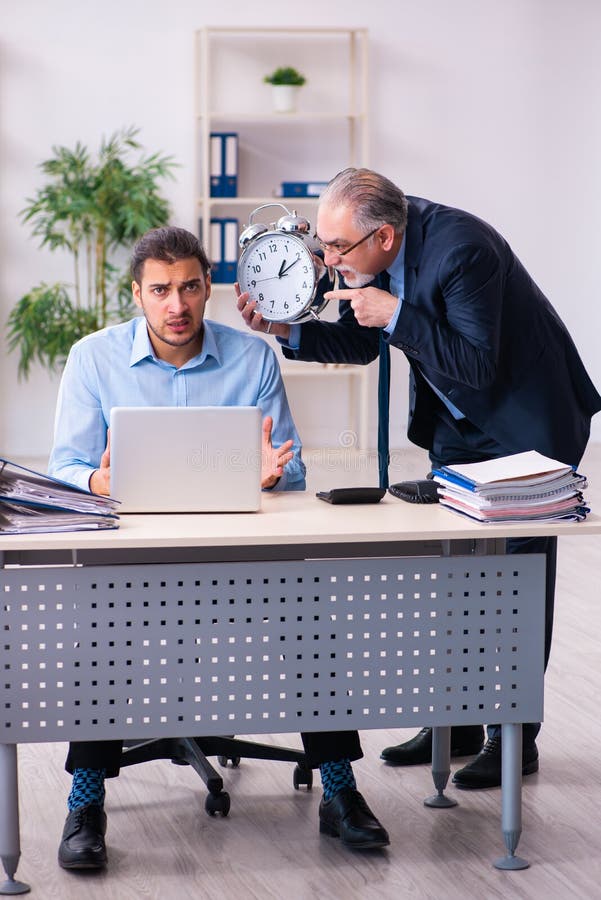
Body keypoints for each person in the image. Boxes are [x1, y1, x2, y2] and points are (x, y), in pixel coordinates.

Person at [237, 167, 601, 791]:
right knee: (455, 574)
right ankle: (454, 724)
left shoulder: (463, 250)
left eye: (335, 248)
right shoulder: (370, 254)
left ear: (383, 237)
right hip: (458, 426)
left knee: (517, 576)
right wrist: (285, 330)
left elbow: (478, 364)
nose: (325, 259)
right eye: (322, 243)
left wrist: (398, 314)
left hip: (526, 420)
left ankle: (514, 737)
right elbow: (361, 341)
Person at [48, 225, 389, 871]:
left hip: (237, 552)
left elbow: (290, 473)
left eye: (189, 287)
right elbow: (64, 464)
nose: (175, 304)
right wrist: (98, 479)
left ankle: (340, 791)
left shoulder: (252, 357)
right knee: (97, 626)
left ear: (209, 288)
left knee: (309, 614)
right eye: (160, 290)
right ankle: (85, 800)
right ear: (137, 295)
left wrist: (272, 473)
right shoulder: (94, 357)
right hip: (135, 558)